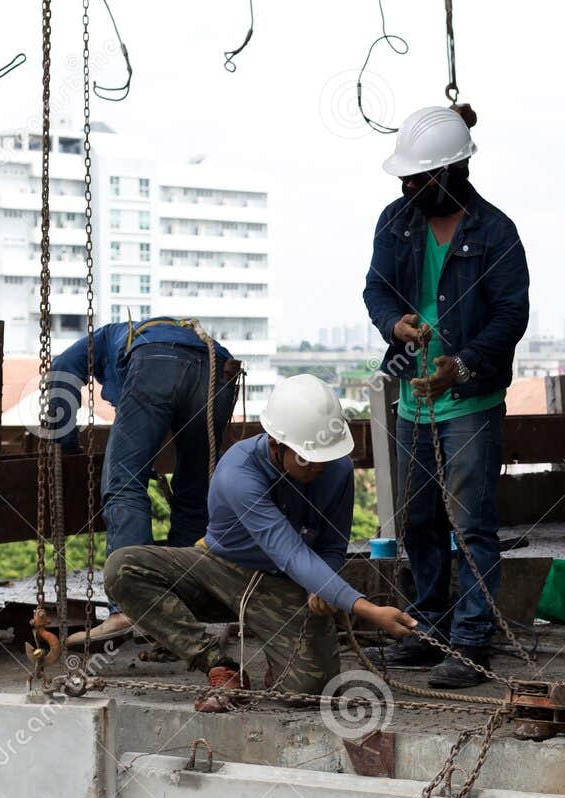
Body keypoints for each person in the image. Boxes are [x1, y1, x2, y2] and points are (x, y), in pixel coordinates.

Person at [104, 374, 416, 712]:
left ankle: (280, 661)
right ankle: (218, 665)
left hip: (284, 585)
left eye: (323, 457)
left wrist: (319, 587)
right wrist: (368, 609)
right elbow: (290, 552)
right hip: (217, 571)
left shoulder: (337, 470)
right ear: (274, 444)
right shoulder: (239, 473)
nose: (317, 467)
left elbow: (331, 545)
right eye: (306, 458)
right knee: (124, 568)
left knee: (309, 692)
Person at [362, 106, 530, 688]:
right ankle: (430, 630)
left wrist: (459, 367)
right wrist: (395, 327)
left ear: (453, 173)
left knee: (472, 525)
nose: (408, 190)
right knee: (420, 521)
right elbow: (376, 290)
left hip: (471, 403)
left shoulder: (495, 232)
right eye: (405, 181)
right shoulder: (396, 220)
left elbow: (511, 315)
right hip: (413, 401)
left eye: (419, 180)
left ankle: (471, 643)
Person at [44, 317, 243, 646]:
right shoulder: (171, 334)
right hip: (217, 370)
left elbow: (62, 367)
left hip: (156, 363)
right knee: (194, 498)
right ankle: (183, 611)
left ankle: (129, 607)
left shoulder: (108, 336)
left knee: (125, 486)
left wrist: (65, 443)